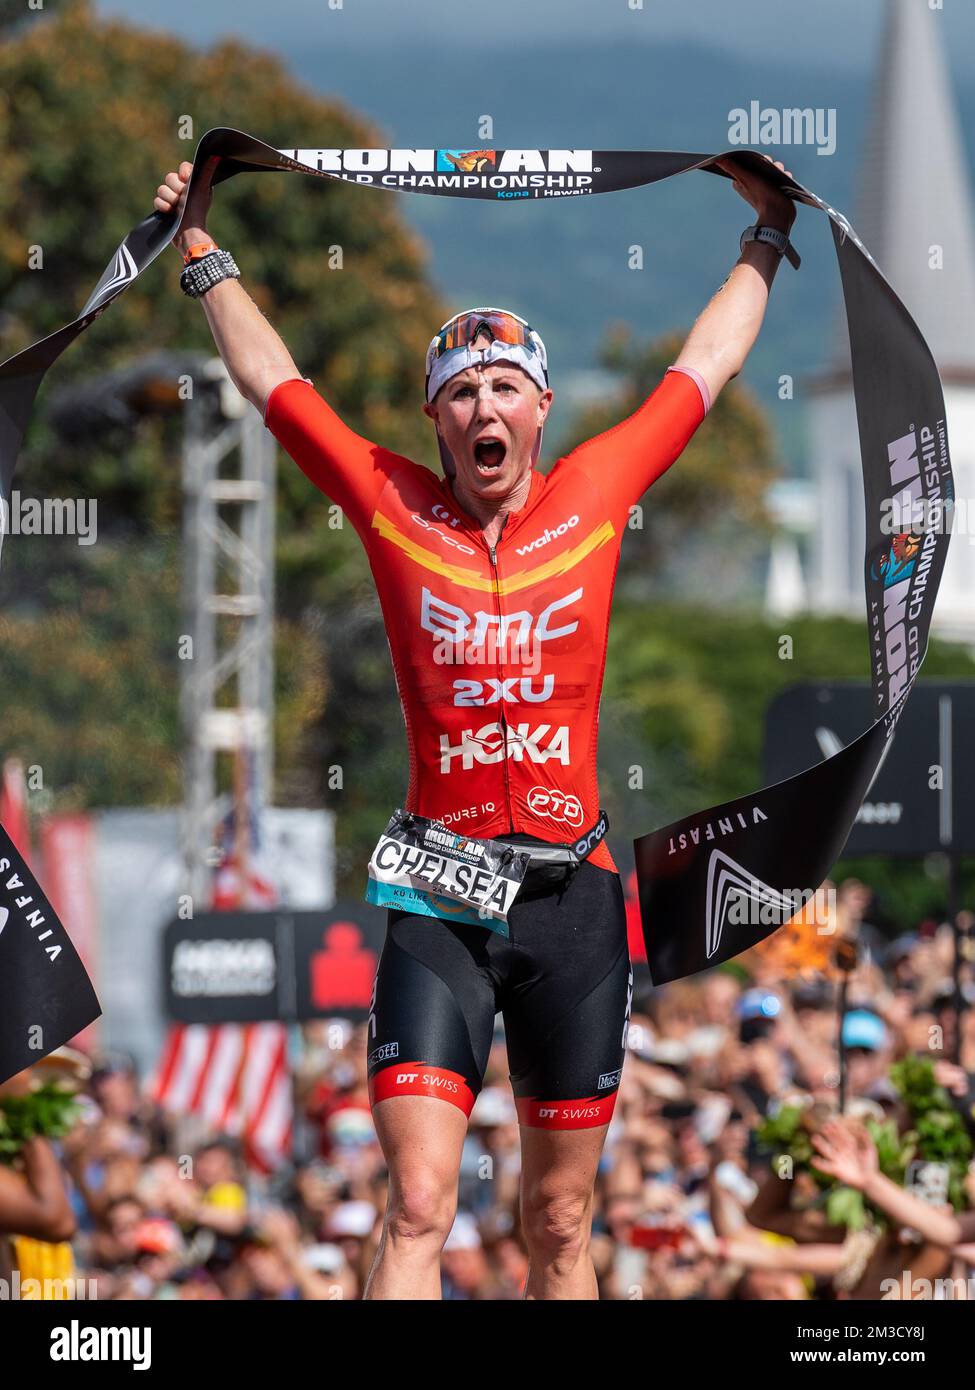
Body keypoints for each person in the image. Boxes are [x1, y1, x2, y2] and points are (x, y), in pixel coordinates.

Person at [153, 150, 797, 1300]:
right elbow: (275, 381)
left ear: (542, 406)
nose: (484, 407)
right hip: (438, 893)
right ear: (435, 419)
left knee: (557, 1218)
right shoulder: (389, 501)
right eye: (461, 391)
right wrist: (201, 253)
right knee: (418, 1204)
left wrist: (769, 232)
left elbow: (710, 359)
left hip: (574, 897)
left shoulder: (598, 490)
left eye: (505, 386)